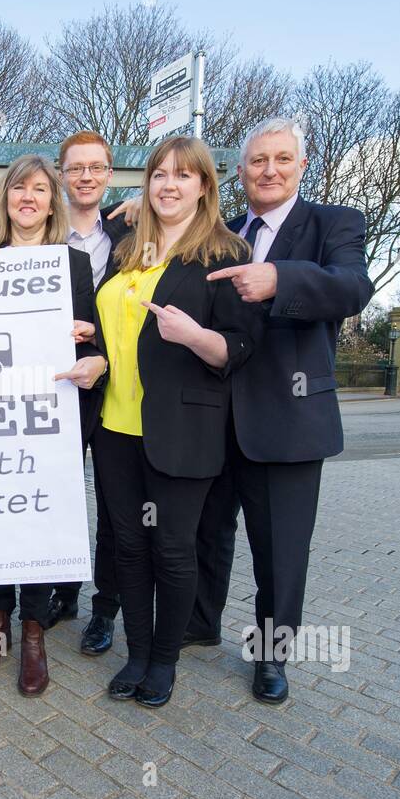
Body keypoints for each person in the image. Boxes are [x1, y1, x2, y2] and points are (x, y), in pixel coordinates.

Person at [189, 117, 372, 704]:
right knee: (206, 533)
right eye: (257, 161)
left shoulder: (332, 223)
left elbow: (352, 287)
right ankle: (199, 624)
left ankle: (272, 656)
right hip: (216, 416)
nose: (269, 170)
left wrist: (279, 278)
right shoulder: (220, 231)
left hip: (289, 420)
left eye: (282, 160)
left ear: (300, 166)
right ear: (239, 171)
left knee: (280, 548)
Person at [93, 136, 262, 708]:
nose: (169, 184)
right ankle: (136, 654)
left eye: (183, 176)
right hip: (115, 426)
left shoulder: (225, 253)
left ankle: (164, 662)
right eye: (160, 174)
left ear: (204, 187)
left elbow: (240, 346)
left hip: (183, 430)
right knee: (128, 549)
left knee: (171, 548)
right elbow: (109, 329)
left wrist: (197, 338)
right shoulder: (124, 251)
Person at [0, 154, 108, 696]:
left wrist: (89, 338)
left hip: (50, 416)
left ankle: (32, 629)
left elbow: (97, 343)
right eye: (19, 188)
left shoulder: (71, 265)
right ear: (3, 197)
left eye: (41, 190)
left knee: (39, 518)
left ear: (54, 203)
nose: (29, 197)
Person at [49, 130, 134, 655]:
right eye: (75, 167)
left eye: (96, 167)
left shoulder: (133, 234)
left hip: (118, 390)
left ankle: (106, 609)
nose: (85, 176)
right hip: (56, 389)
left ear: (108, 174)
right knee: (54, 497)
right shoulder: (40, 238)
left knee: (116, 507)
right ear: (62, 174)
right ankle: (61, 593)